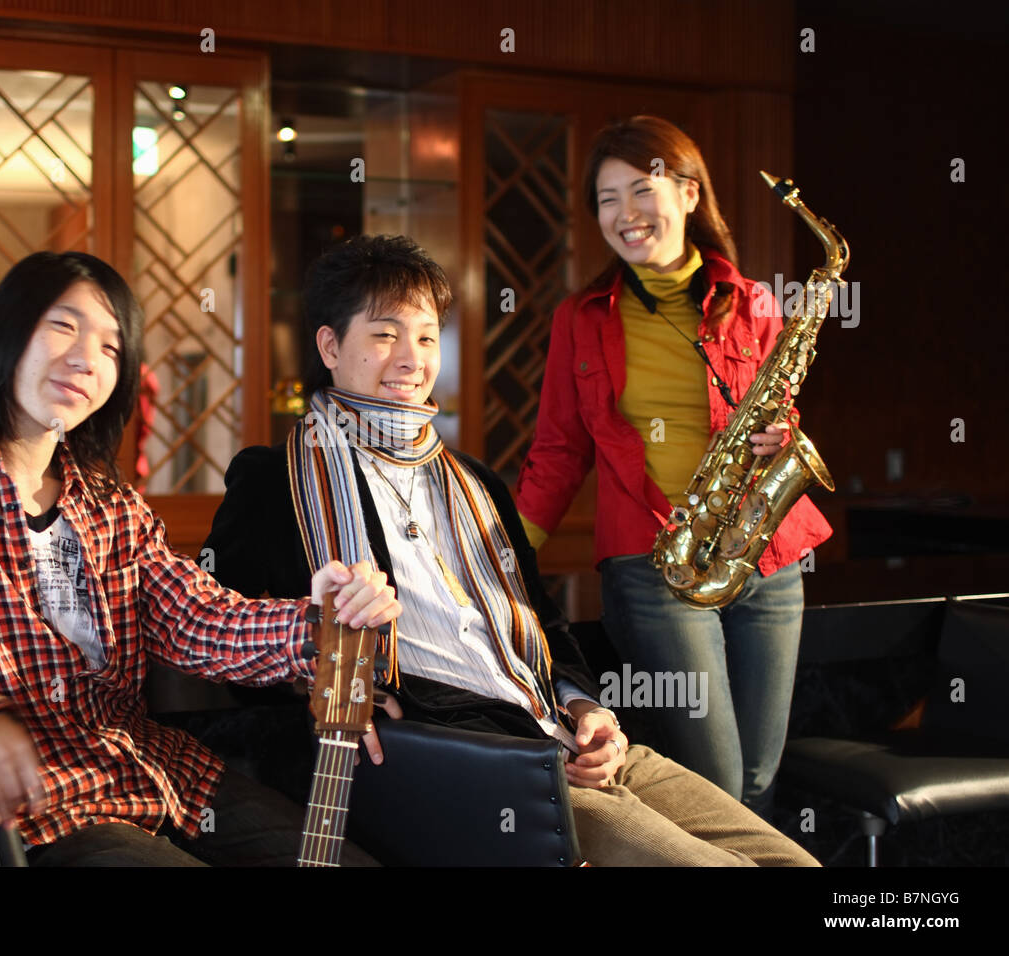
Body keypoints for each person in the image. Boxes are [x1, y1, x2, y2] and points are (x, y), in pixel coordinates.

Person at [203, 234, 819, 865]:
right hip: (472, 760)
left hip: (561, 731)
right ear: (330, 346)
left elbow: (544, 620)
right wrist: (325, 684)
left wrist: (588, 708)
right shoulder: (274, 480)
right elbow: (225, 627)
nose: (412, 359)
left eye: (424, 336)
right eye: (384, 335)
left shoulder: (475, 482)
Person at [0, 251, 396, 866]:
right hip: (41, 819)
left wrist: (318, 622)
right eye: (63, 327)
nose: (87, 359)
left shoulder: (112, 506)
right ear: (3, 330)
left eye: (113, 348)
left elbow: (198, 621)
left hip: (162, 779)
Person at [513, 116, 833, 816]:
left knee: (760, 781)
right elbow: (560, 451)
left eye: (640, 190)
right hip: (656, 561)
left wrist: (783, 437)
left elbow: (779, 412)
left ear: (690, 194)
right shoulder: (582, 317)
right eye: (606, 199)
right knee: (716, 784)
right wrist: (503, 554)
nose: (624, 214)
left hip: (767, 558)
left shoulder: (755, 302)